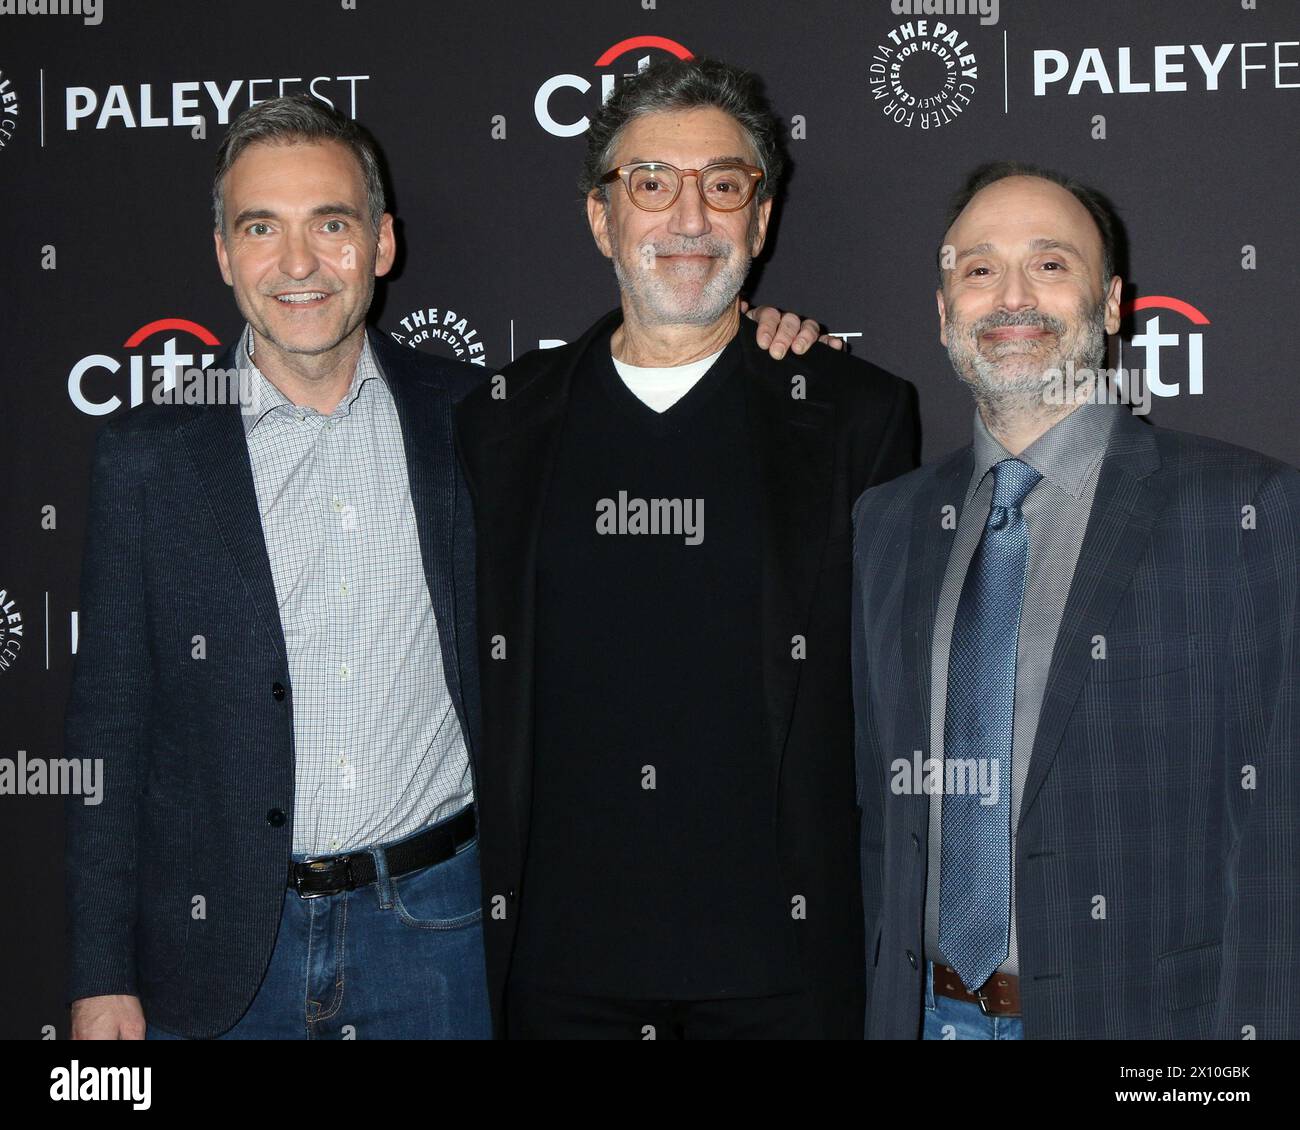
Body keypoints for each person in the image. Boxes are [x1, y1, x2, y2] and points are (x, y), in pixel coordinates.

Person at [63, 92, 840, 1041]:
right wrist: (100, 973)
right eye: (262, 228)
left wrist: (764, 347)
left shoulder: (483, 421)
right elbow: (107, 734)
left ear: (382, 245)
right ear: (225, 253)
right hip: (219, 950)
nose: (299, 264)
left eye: (332, 224)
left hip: (438, 936)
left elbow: (662, 394)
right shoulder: (148, 456)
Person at [455, 58, 920, 1039]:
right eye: (650, 184)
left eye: (723, 184)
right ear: (600, 218)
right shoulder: (497, 425)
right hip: (556, 967)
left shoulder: (854, 415)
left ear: (760, 218)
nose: (688, 218)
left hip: (781, 973)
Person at [852, 161, 1299, 1039]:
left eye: (1051, 265)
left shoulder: (1249, 510)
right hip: (926, 1017)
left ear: (1111, 303)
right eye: (978, 269)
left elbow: (1284, 836)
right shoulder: (888, 523)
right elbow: (879, 813)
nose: (1012, 296)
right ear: (945, 312)